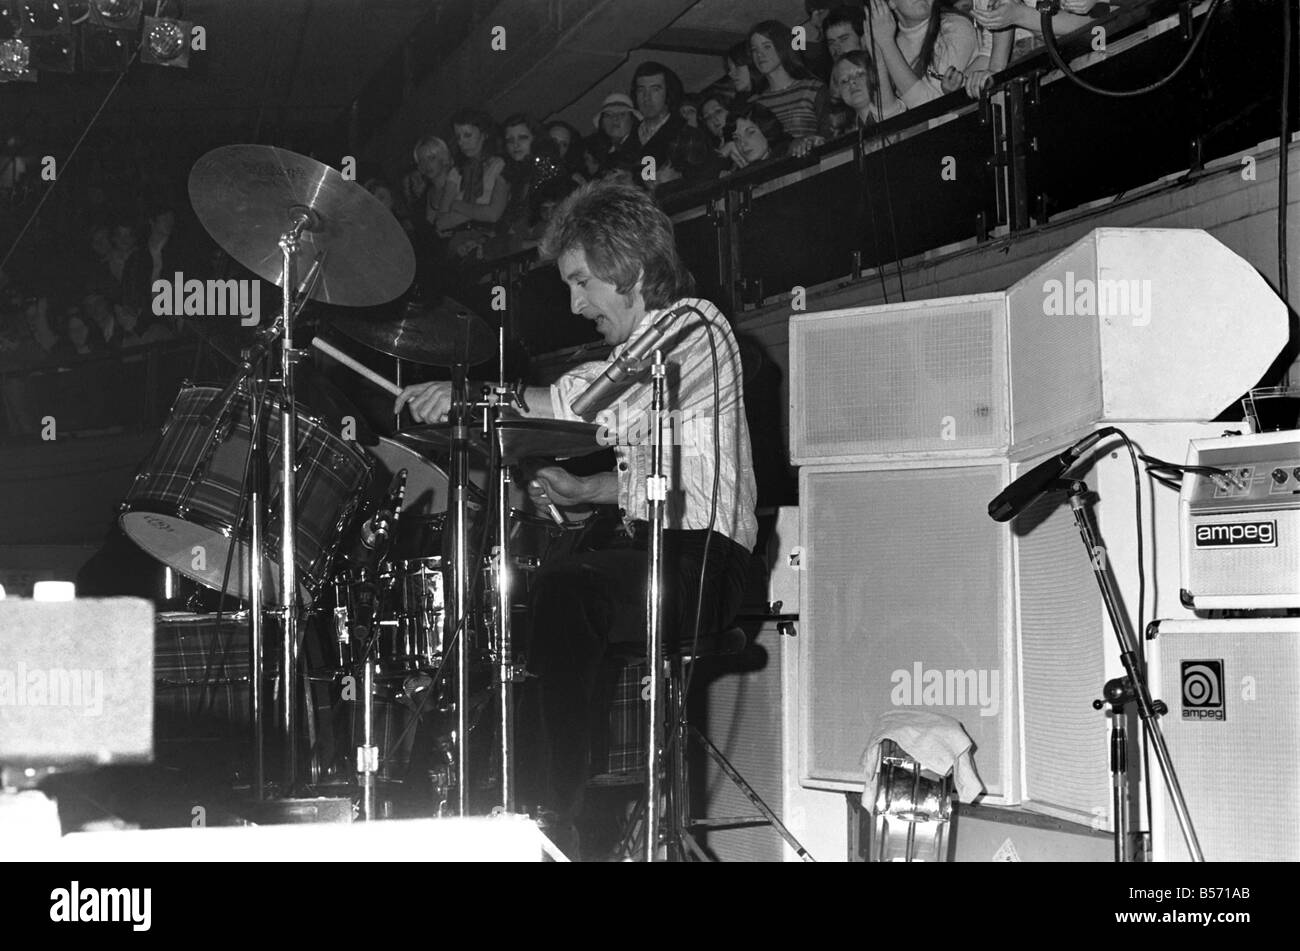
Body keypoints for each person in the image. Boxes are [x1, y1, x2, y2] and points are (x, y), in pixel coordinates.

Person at [394, 182, 758, 854]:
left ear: (634, 269)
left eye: (583, 280)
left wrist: (470, 395)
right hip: (660, 546)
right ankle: (472, 803)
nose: (575, 303)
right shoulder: (661, 350)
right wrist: (584, 488)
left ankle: (546, 816)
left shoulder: (694, 326)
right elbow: (666, 463)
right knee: (527, 603)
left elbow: (588, 404)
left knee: (567, 593)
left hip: (707, 564)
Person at [867, 0, 977, 109]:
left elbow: (931, 108)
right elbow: (887, 117)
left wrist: (887, 44)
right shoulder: (888, 39)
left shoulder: (955, 27)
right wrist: (878, 56)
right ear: (890, 3)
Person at [748, 20, 830, 157]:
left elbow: (830, 133)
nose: (759, 55)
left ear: (782, 47)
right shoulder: (755, 103)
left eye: (766, 47)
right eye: (754, 50)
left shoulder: (812, 89)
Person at [723, 101, 794, 173]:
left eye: (750, 133)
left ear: (766, 129)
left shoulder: (790, 154)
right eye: (736, 138)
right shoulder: (736, 172)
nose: (742, 143)